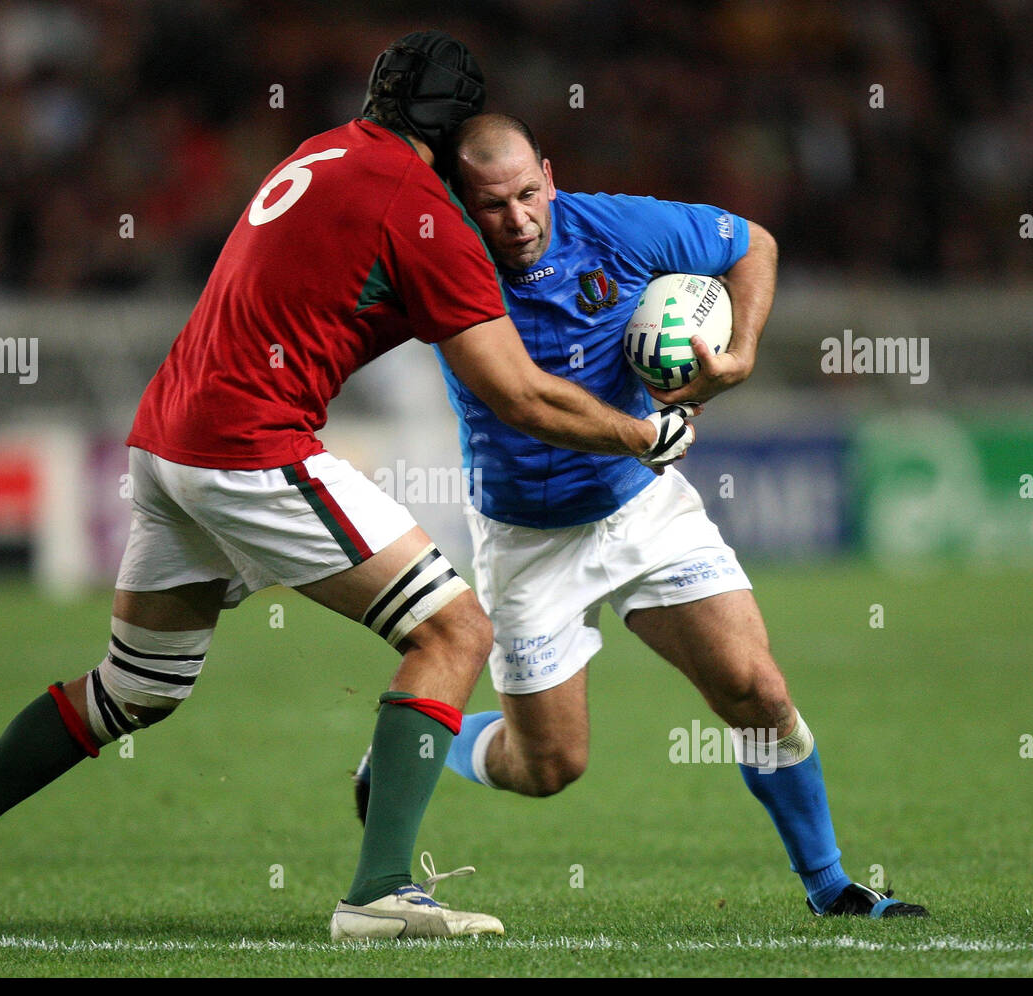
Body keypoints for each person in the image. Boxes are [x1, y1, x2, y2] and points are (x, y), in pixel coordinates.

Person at [0, 36, 700, 943]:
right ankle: (377, 892)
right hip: (249, 444)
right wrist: (642, 431)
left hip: (166, 434)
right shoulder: (422, 211)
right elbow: (517, 391)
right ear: (454, 136)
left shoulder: (320, 152)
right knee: (454, 630)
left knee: (133, 686)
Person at [354, 113, 927, 919]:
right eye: (491, 205)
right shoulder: (447, 270)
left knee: (755, 687)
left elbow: (751, 244)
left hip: (642, 504)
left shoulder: (615, 227)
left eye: (527, 195)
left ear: (549, 176)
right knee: (549, 765)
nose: (517, 220)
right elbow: (523, 403)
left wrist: (742, 353)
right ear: (457, 202)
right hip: (527, 536)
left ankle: (831, 885)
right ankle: (423, 745)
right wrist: (640, 433)